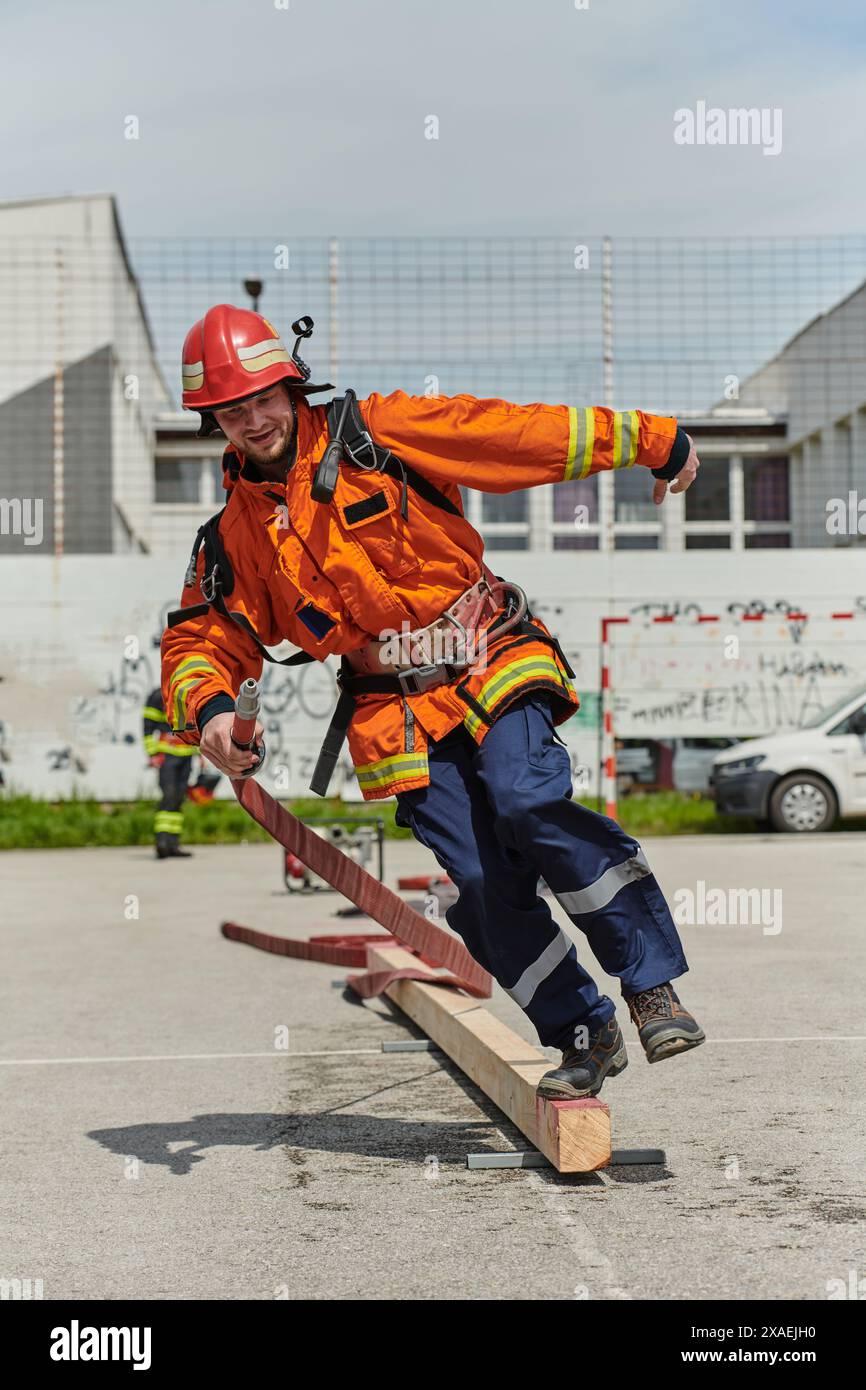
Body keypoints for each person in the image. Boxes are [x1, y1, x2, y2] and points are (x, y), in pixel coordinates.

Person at [162, 304, 706, 1098]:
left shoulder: (377, 431)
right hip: (394, 715)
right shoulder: (230, 539)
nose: (252, 420)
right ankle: (581, 1030)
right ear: (214, 420)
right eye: (231, 410)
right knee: (480, 886)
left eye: (262, 399)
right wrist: (210, 710)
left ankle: (650, 985)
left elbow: (515, 435)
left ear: (291, 385)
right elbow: (199, 641)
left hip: (489, 655)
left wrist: (656, 440)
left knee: (528, 804)